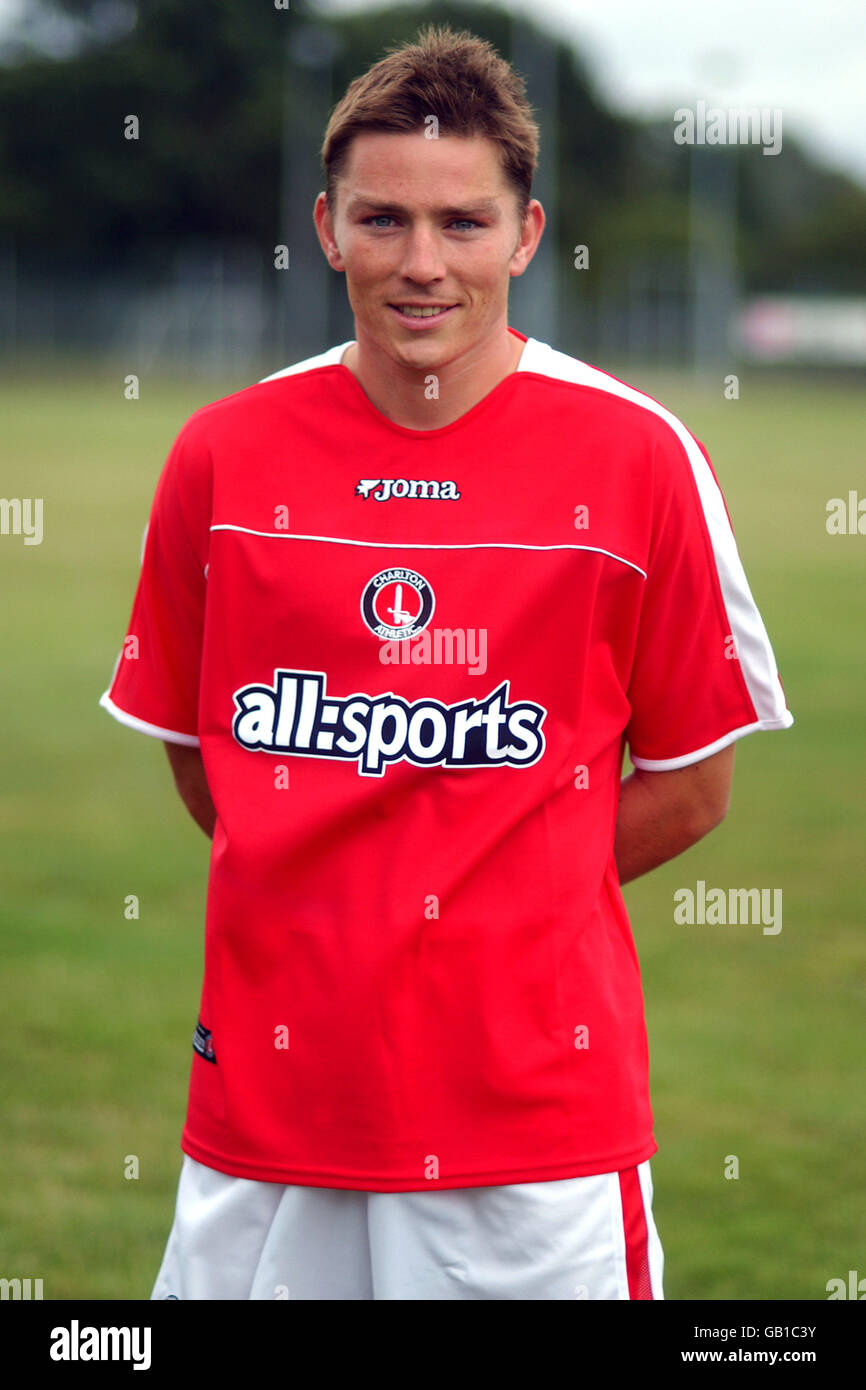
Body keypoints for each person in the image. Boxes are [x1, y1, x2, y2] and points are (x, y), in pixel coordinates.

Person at [98, 24, 793, 1300]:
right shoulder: (223, 457)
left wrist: (482, 912)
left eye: (463, 224)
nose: (421, 265)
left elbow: (691, 787)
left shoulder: (637, 459)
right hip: (273, 1109)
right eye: (383, 221)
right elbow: (210, 769)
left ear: (525, 236)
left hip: (531, 1127)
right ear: (326, 226)